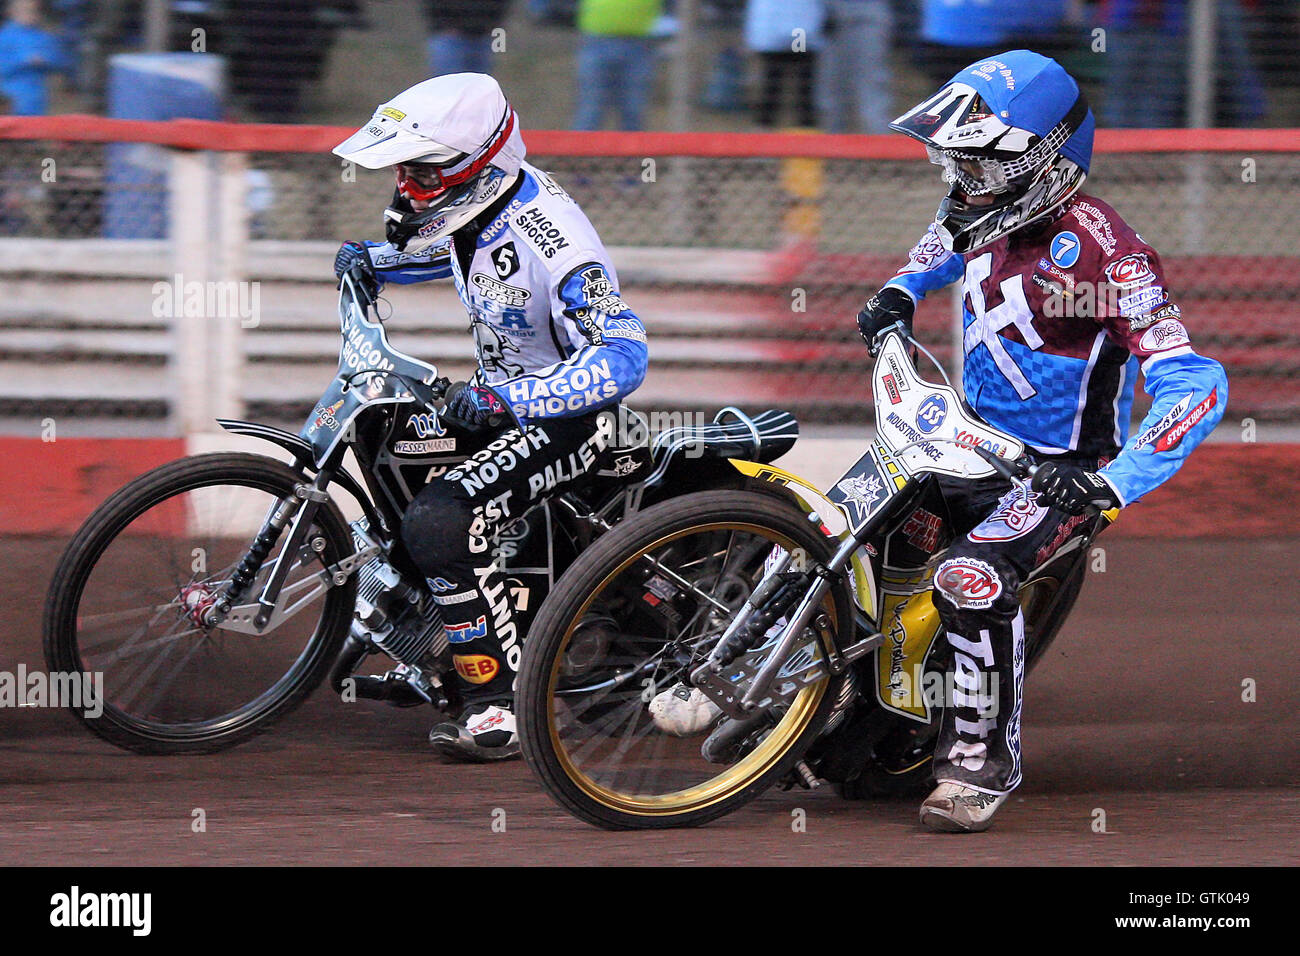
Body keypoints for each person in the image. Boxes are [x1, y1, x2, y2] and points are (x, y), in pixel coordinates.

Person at [856, 50, 1228, 832]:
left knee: (969, 576)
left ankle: (979, 764)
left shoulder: (1110, 254)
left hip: (1055, 474)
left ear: (1046, 167)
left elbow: (1196, 383)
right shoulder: (981, 210)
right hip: (960, 439)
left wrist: (1114, 482)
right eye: (956, 165)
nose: (962, 185)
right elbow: (944, 239)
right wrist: (898, 289)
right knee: (845, 525)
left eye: (980, 168)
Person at [332, 73, 649, 761]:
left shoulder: (556, 241)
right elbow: (453, 253)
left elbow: (625, 354)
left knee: (439, 520)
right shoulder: (479, 208)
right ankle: (444, 626)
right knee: (385, 439)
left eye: (419, 174)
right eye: (403, 174)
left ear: (470, 168)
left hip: (567, 419)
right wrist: (375, 262)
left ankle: (493, 705)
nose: (407, 189)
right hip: (498, 402)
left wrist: (513, 400)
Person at [572, 0, 662, 131]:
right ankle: (580, 149)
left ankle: (632, 150)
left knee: (633, 110)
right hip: (597, 40)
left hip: (638, 44)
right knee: (591, 110)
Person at [818, 0, 894, 134]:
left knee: (870, 89)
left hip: (868, 20)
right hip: (828, 20)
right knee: (830, 93)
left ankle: (880, 150)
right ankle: (832, 149)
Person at [745, 0, 823, 128]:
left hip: (796, 29)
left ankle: (804, 126)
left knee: (798, 79)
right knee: (775, 79)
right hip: (782, 29)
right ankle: (767, 125)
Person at [0, 0, 69, 115]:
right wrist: (23, 61)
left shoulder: (44, 36)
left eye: (34, 11)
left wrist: (46, 60)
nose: (31, 15)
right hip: (11, 94)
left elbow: (61, 60)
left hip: (39, 95)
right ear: (12, 12)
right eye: (25, 11)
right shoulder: (4, 36)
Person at [425, 0, 512, 78]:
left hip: (483, 37)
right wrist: (444, 24)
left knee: (479, 87)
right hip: (449, 37)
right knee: (448, 84)